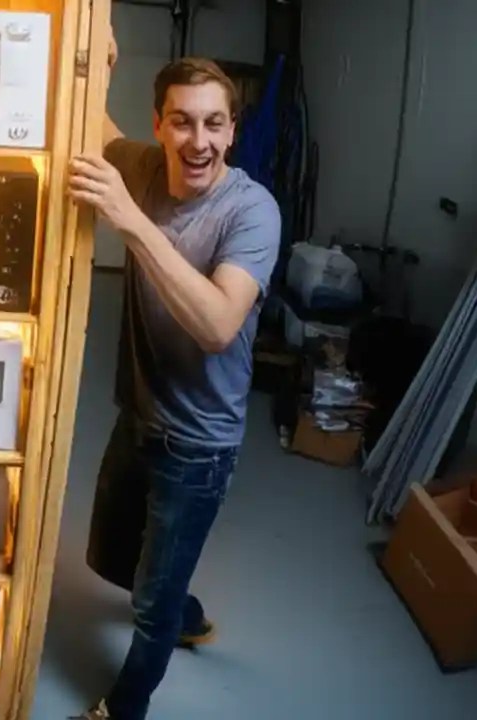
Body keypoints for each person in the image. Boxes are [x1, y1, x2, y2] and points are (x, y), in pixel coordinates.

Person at [66, 41, 282, 720]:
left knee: (150, 605)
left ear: (232, 131)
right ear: (158, 125)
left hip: (197, 446)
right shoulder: (145, 167)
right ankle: (183, 609)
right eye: (182, 122)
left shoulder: (252, 212)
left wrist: (130, 222)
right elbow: (97, 127)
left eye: (214, 123)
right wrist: (97, 61)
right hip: (137, 416)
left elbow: (217, 324)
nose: (198, 141)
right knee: (110, 558)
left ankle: (124, 707)